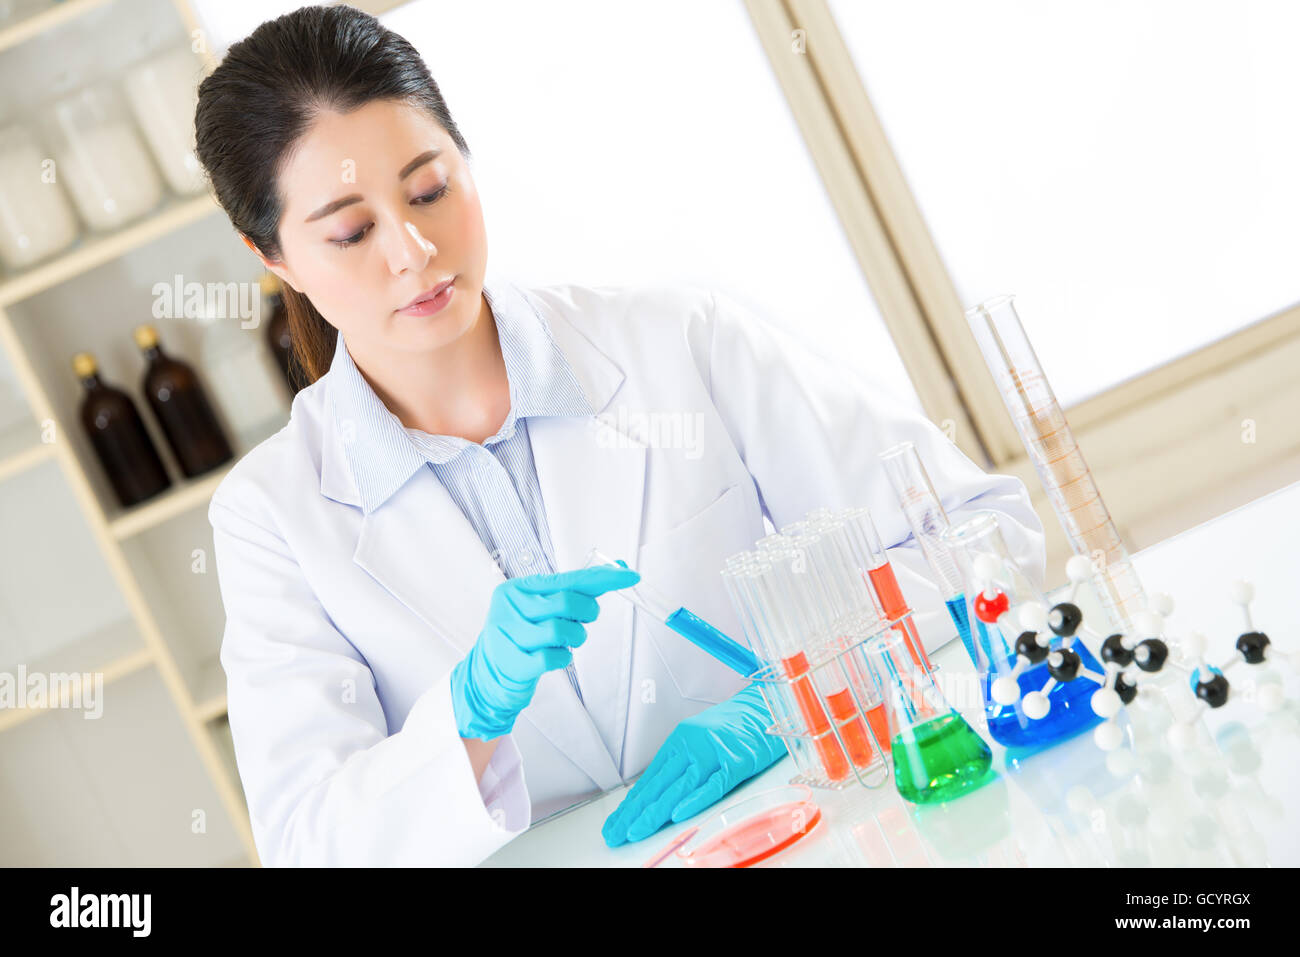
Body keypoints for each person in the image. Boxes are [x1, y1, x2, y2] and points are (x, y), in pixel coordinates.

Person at [197, 5, 1045, 867]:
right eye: (350, 231)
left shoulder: (678, 341)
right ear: (271, 255)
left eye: (429, 190)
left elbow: (983, 535)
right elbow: (308, 844)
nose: (413, 250)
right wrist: (468, 715)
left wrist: (794, 697)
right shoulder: (273, 516)